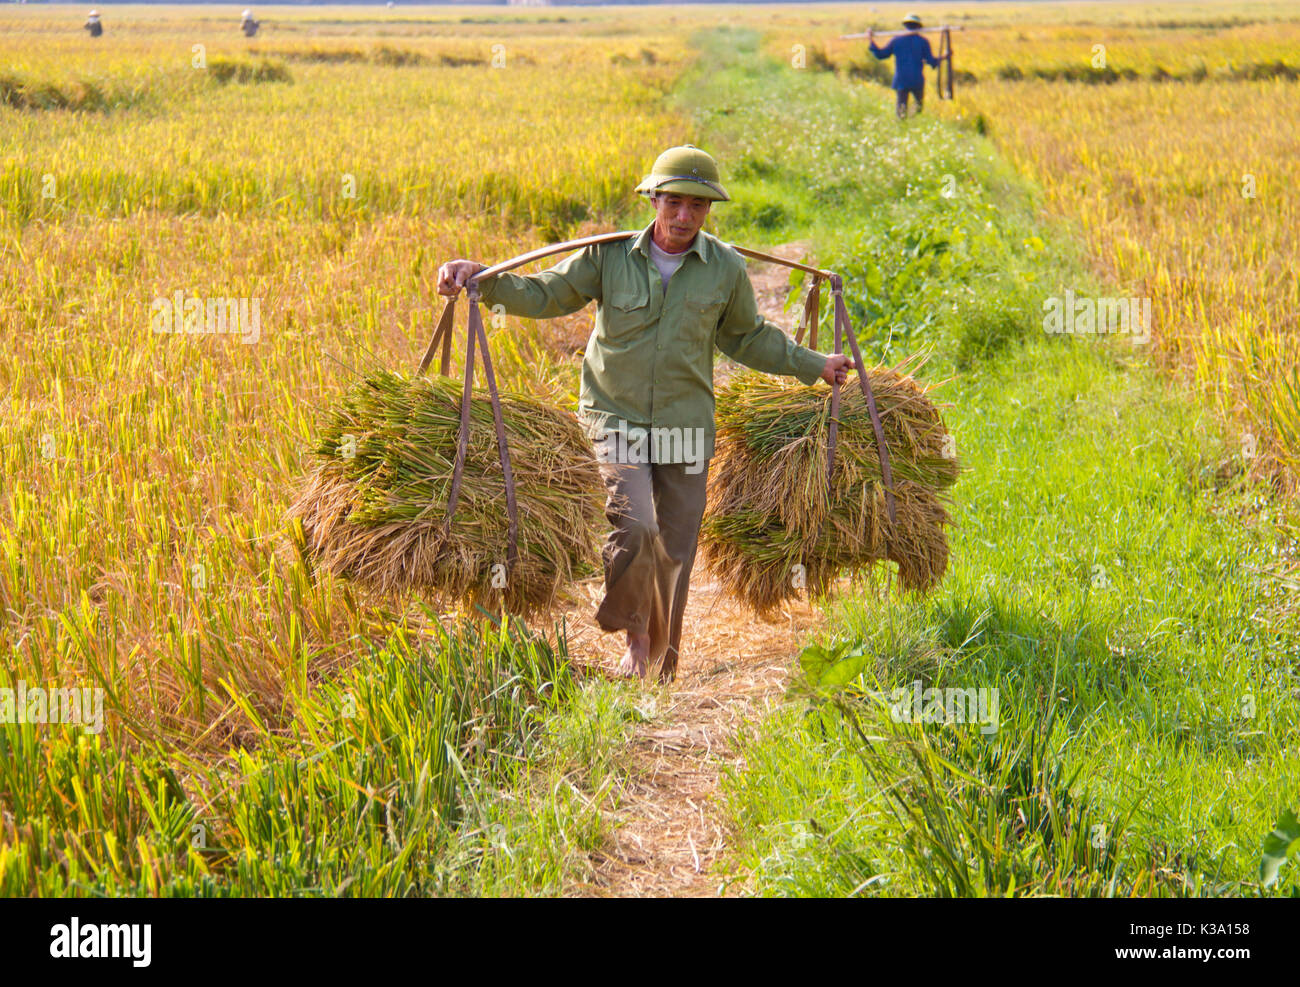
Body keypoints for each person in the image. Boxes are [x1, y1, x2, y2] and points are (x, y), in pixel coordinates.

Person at [436, 145, 851, 682]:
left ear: (709, 211)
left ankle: (663, 660)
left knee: (676, 543)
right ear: (653, 199)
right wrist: (484, 280)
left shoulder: (724, 267)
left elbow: (747, 338)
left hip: (686, 424)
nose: (683, 217)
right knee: (637, 525)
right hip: (616, 417)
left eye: (697, 206)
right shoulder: (608, 256)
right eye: (674, 202)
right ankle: (637, 638)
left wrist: (813, 364)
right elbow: (547, 293)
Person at [869, 12, 939, 119]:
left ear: (905, 26)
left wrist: (871, 41)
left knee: (901, 108)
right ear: (918, 27)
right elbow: (931, 61)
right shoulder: (923, 42)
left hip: (901, 80)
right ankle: (913, 121)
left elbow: (881, 55)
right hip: (916, 79)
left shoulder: (896, 40)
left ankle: (904, 124)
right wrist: (943, 58)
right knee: (918, 106)